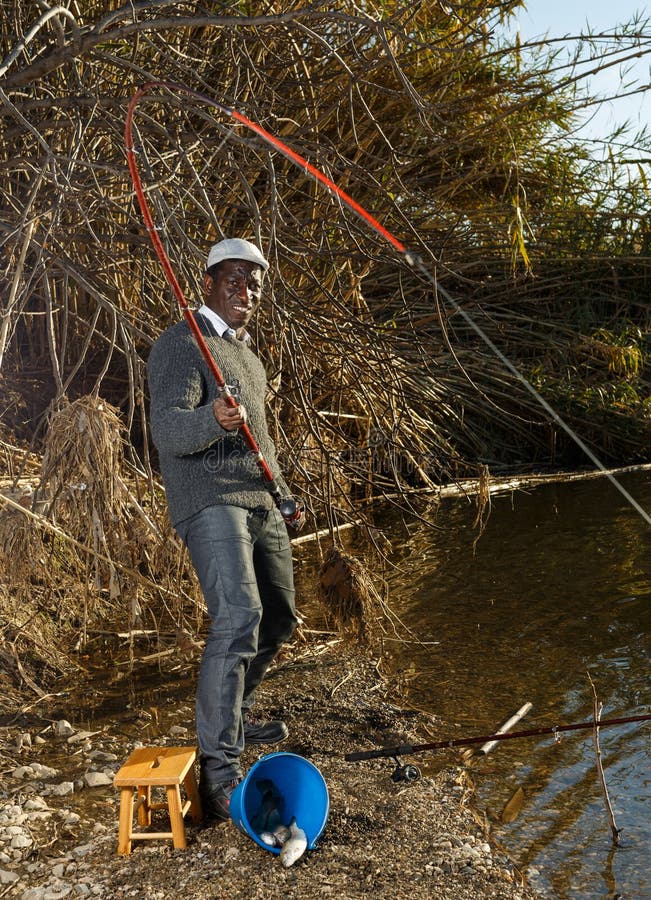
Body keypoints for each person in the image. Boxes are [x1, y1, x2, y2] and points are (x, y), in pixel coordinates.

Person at [147, 237, 304, 824]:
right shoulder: (182, 345)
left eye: (255, 283)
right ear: (210, 281)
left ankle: (233, 713)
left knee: (279, 616)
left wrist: (283, 497)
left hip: (260, 499)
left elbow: (261, 439)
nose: (246, 291)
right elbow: (167, 431)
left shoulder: (249, 358)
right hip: (208, 499)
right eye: (234, 279)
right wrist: (210, 419)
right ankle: (219, 770)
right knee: (237, 617)